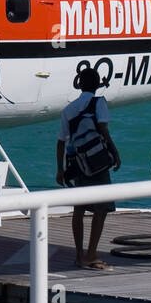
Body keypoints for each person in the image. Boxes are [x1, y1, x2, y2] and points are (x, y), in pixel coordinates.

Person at [55, 67, 121, 270]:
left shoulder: (69, 109)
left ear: (79, 84)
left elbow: (61, 142)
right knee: (101, 208)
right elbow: (103, 130)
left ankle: (79, 255)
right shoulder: (99, 102)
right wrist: (115, 153)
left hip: (77, 164)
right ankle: (91, 254)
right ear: (98, 84)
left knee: (79, 208)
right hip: (97, 163)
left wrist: (60, 170)